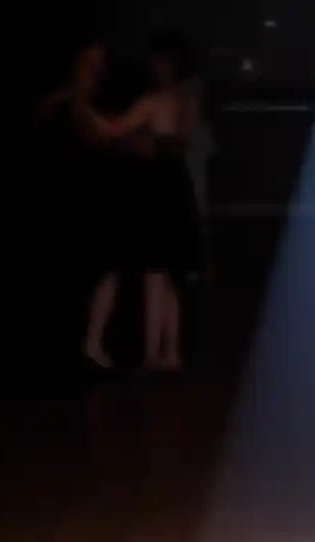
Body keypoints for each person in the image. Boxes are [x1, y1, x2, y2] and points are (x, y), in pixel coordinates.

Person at [76, 32, 203, 372]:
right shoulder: (183, 98)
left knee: (155, 270)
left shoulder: (158, 100)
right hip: (172, 184)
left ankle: (155, 353)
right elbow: (178, 137)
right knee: (164, 272)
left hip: (159, 185)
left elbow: (112, 132)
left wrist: (83, 106)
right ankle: (167, 352)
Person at [38, 37, 124, 370]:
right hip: (67, 197)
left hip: (96, 196)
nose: (95, 70)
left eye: (99, 63)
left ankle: (90, 344)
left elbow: (107, 137)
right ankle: (72, 347)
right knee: (73, 270)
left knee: (102, 269)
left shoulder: (99, 101)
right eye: (89, 62)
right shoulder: (63, 102)